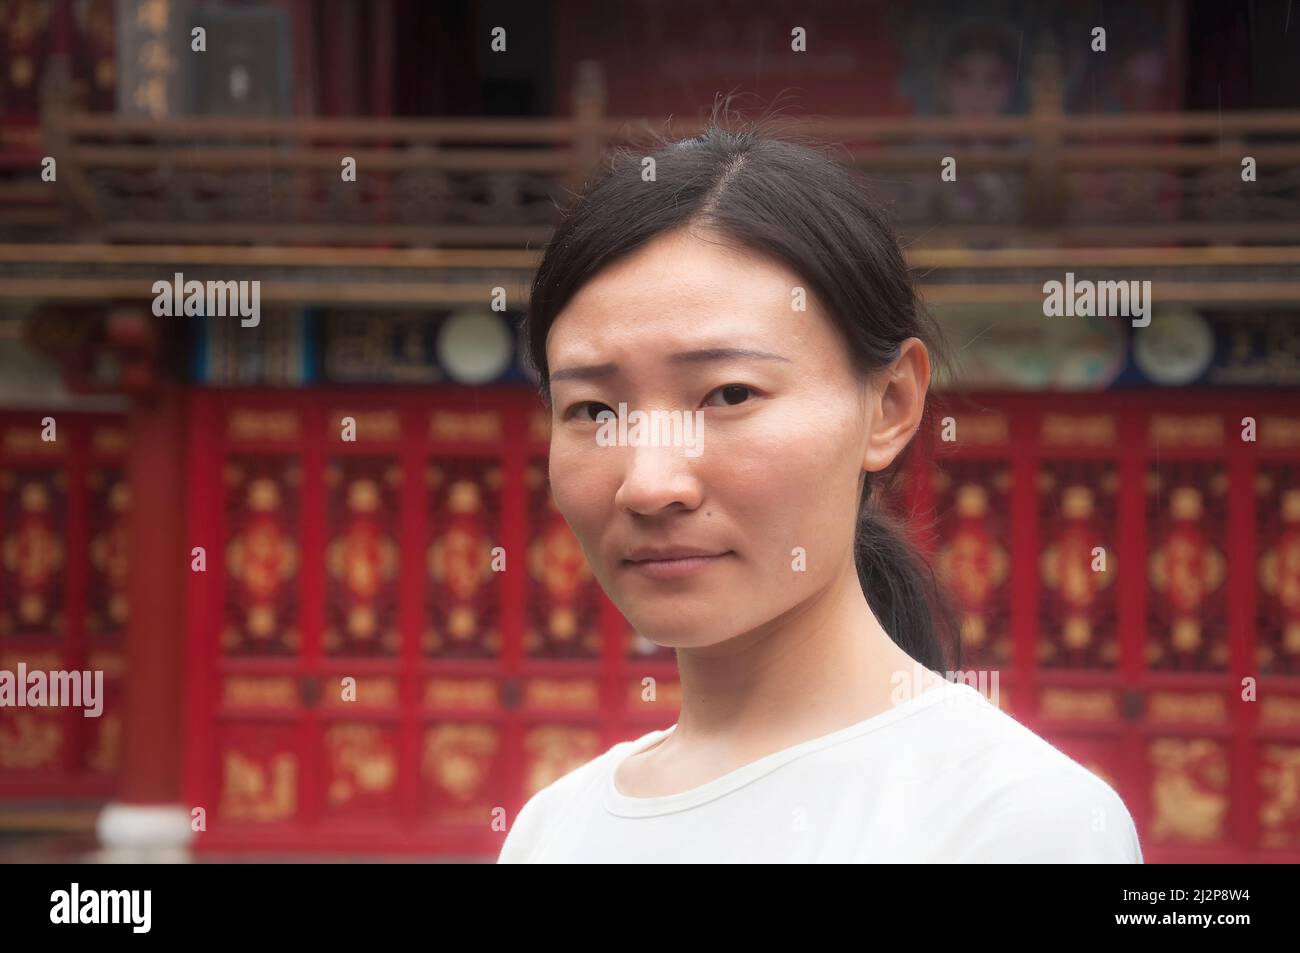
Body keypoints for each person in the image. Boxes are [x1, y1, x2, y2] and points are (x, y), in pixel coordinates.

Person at [498, 115, 1142, 863]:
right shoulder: (553, 830)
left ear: (891, 403)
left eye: (729, 394)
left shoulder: (1017, 822)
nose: (649, 483)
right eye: (594, 411)